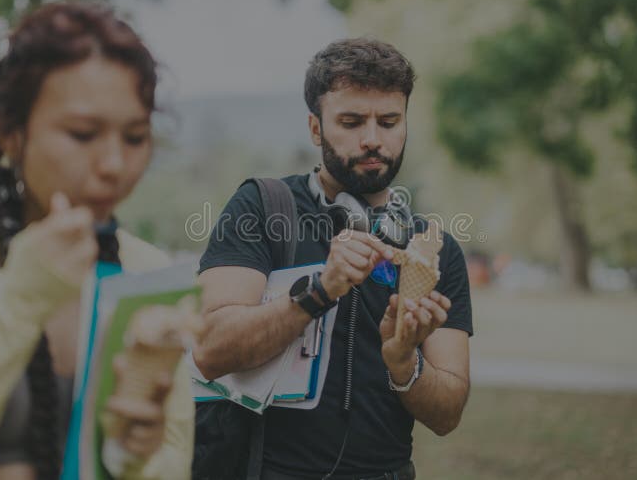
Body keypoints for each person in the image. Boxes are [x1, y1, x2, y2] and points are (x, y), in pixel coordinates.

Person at [0, 2, 193, 479]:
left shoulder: (148, 273)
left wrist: (135, 456)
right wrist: (22, 296)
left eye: (135, 137)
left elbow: (175, 462)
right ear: (11, 133)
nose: (114, 165)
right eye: (83, 134)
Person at [195, 38, 472, 479]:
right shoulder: (261, 208)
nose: (372, 139)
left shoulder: (434, 249)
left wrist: (406, 363)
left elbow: (448, 414)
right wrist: (320, 290)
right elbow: (209, 349)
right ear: (315, 128)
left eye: (389, 122)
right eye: (351, 122)